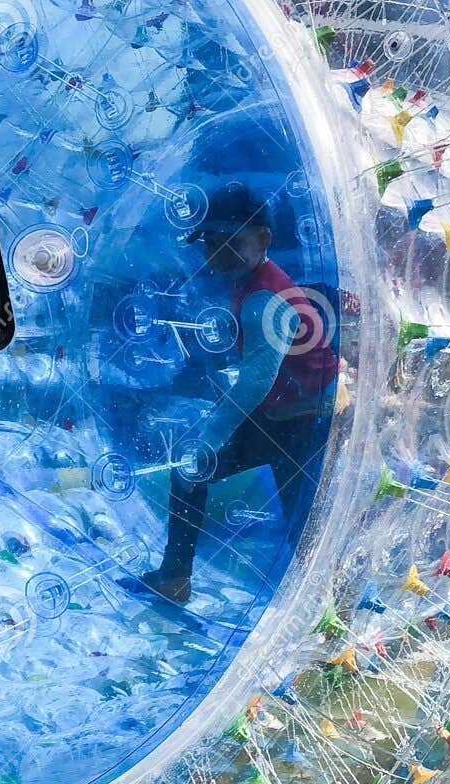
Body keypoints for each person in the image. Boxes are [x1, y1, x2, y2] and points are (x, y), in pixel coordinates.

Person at [138, 183, 338, 604]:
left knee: (302, 518)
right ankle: (175, 578)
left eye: (232, 242)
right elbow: (263, 367)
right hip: (287, 412)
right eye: (211, 244)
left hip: (305, 422)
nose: (218, 255)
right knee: (195, 474)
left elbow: (256, 381)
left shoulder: (263, 295)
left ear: (264, 239)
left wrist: (212, 432)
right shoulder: (251, 282)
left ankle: (327, 600)